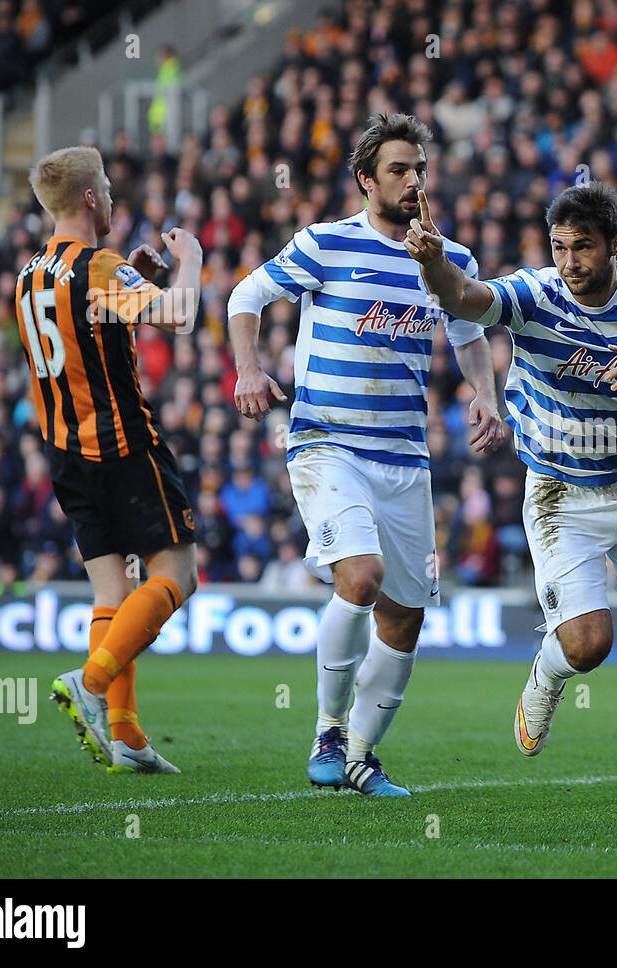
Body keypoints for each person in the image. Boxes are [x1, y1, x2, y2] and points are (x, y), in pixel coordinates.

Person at [407, 181, 617, 805]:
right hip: (560, 493)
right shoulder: (535, 293)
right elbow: (468, 298)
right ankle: (546, 671)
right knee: (588, 645)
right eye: (559, 247)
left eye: (582, 247)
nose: (569, 262)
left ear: (616, 243)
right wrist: (433, 263)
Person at [227, 113, 504, 797]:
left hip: (404, 456)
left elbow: (468, 331)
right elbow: (245, 294)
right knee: (362, 577)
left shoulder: (449, 259)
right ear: (365, 181)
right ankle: (325, 728)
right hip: (328, 441)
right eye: (399, 171)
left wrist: (485, 394)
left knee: (406, 616)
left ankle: (359, 754)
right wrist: (250, 369)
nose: (414, 182)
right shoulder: (325, 244)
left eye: (420, 170)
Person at [21, 145, 202, 774]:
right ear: (92, 199)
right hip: (124, 447)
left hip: (66, 456)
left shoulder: (29, 275)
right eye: (106, 187)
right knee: (178, 574)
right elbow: (180, 316)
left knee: (114, 589)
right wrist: (191, 262)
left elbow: (86, 334)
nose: (113, 197)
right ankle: (91, 684)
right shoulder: (99, 265)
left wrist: (139, 279)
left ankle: (123, 734)